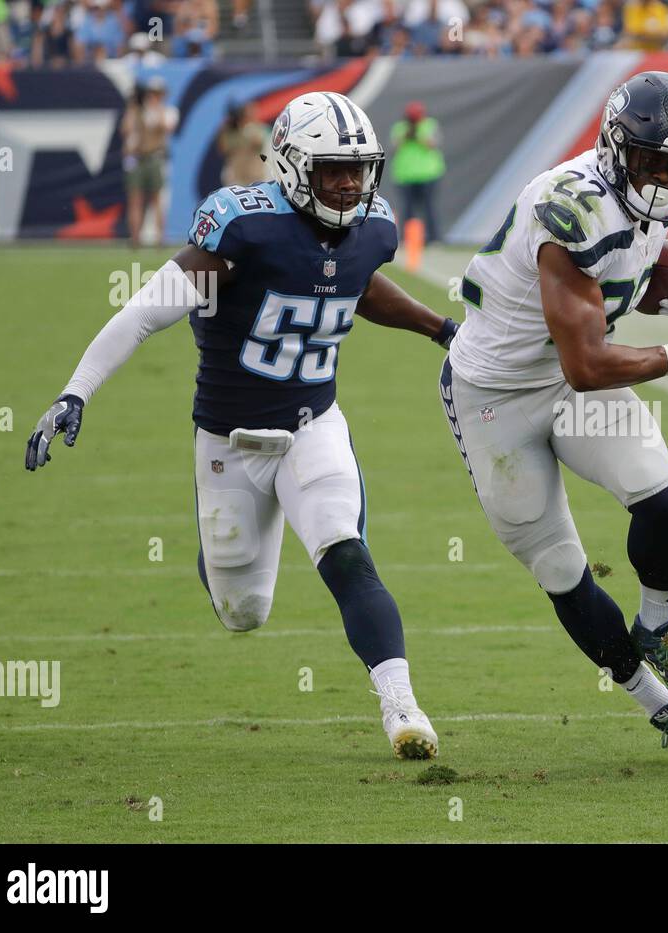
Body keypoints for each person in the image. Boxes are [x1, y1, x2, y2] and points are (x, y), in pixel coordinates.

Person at [25, 92, 457, 761]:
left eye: (359, 168)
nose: (349, 182)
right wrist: (75, 390)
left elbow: (357, 282)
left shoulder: (371, 226)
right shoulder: (242, 228)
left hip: (314, 425)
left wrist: (441, 328)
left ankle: (402, 705)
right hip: (228, 439)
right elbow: (145, 311)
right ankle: (232, 531)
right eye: (332, 169)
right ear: (289, 166)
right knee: (242, 611)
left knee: (346, 550)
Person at [441, 72, 668, 767]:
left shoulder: (640, 202)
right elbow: (586, 360)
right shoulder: (570, 207)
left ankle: (659, 627)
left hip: (562, 377)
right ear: (616, 148)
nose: (664, 179)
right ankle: (663, 710)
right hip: (495, 397)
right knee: (563, 569)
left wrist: (649, 290)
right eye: (651, 162)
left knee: (661, 496)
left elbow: (607, 287)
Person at [121, 77, 177, 247]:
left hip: (155, 158)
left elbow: (165, 127)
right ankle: (135, 239)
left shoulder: (168, 111)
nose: (154, 96)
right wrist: (133, 106)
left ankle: (160, 238)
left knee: (156, 200)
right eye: (152, 93)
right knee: (135, 199)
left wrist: (156, 108)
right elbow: (126, 129)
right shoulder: (138, 111)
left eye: (157, 93)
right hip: (137, 159)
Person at [388, 101, 445, 244]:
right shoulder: (400, 128)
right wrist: (405, 136)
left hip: (428, 175)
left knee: (429, 208)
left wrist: (419, 136)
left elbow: (434, 144)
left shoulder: (430, 125)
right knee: (407, 210)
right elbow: (393, 149)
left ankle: (434, 239)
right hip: (405, 176)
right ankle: (406, 240)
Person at [216, 99, 267, 188]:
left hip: (255, 178)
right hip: (236, 179)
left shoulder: (253, 127)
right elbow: (223, 148)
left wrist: (246, 124)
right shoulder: (228, 131)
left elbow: (258, 143)